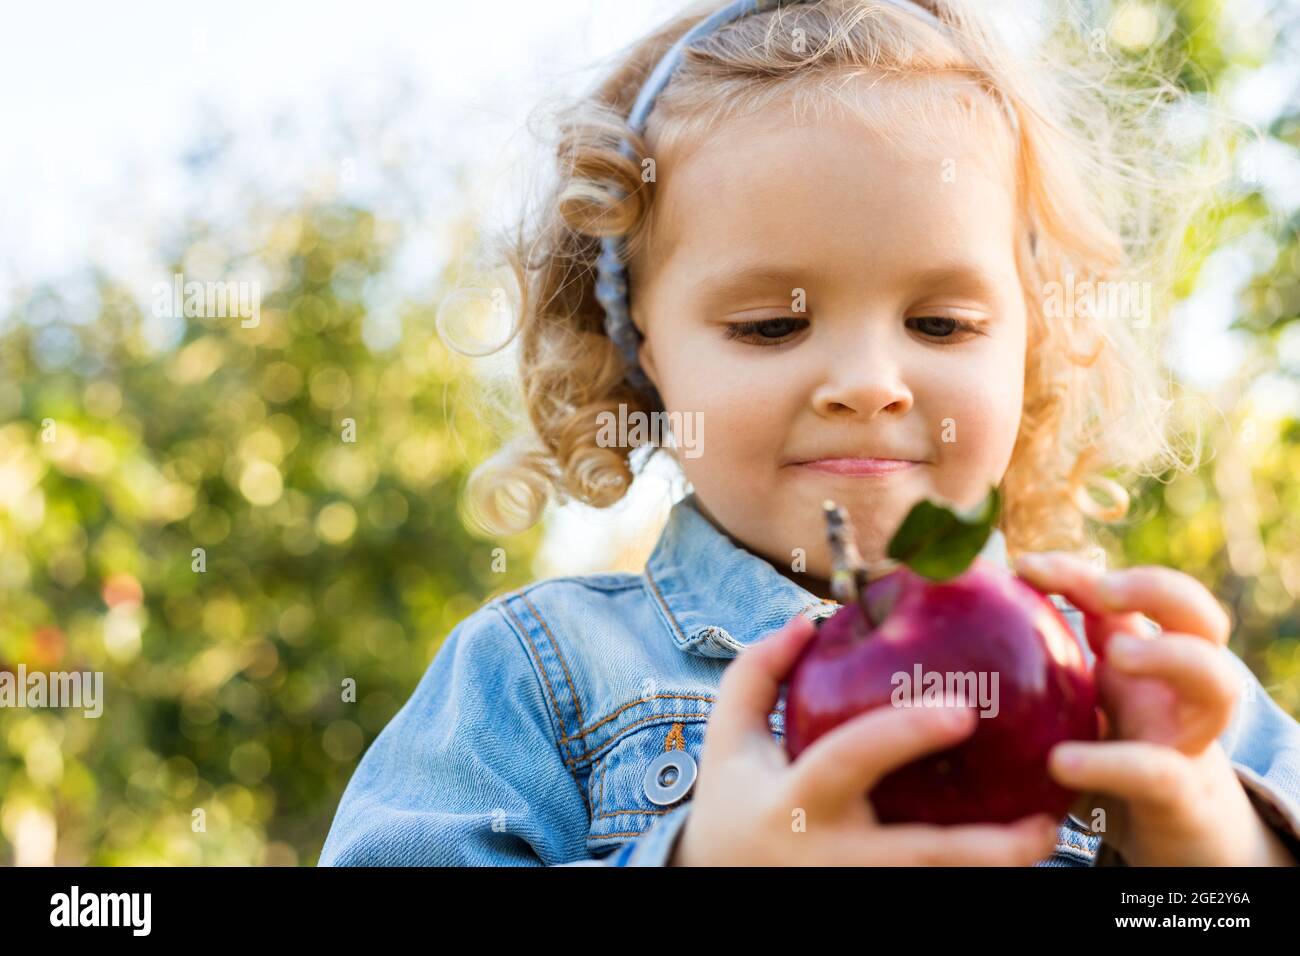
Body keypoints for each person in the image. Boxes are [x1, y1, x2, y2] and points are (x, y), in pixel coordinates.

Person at [319, 0, 1300, 866]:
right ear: (640, 349)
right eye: (772, 326)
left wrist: (1208, 838)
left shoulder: (1115, 671)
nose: (869, 383)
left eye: (941, 324)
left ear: (1032, 342)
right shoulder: (541, 671)